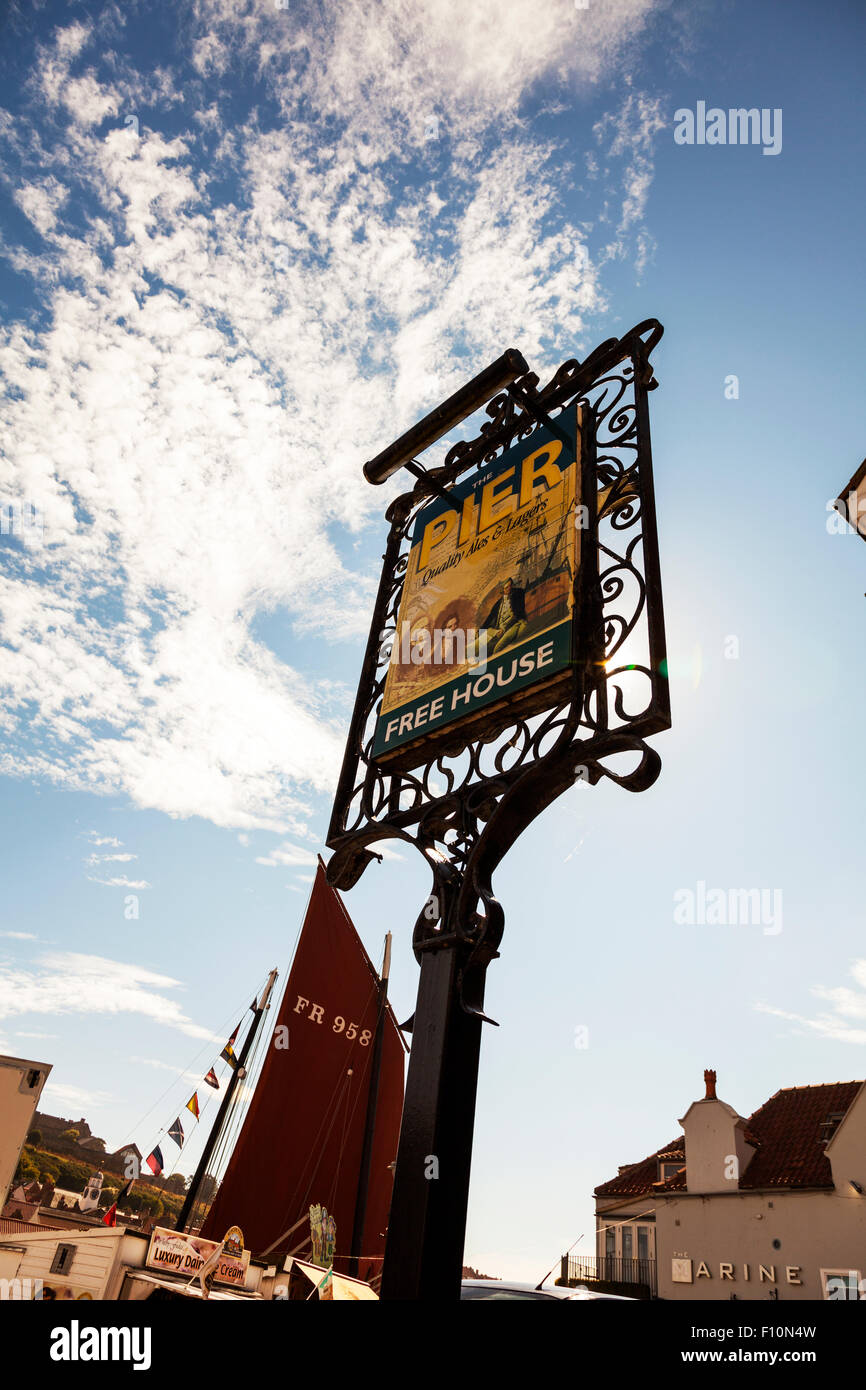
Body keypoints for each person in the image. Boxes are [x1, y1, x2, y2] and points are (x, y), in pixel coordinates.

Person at [481, 577, 527, 655]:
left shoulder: (518, 594)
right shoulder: (499, 603)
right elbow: (490, 617)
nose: (509, 588)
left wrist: (504, 629)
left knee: (497, 649)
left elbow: (516, 615)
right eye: (506, 587)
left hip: (514, 625)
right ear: (503, 590)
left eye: (510, 586)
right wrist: (481, 630)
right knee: (486, 649)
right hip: (500, 630)